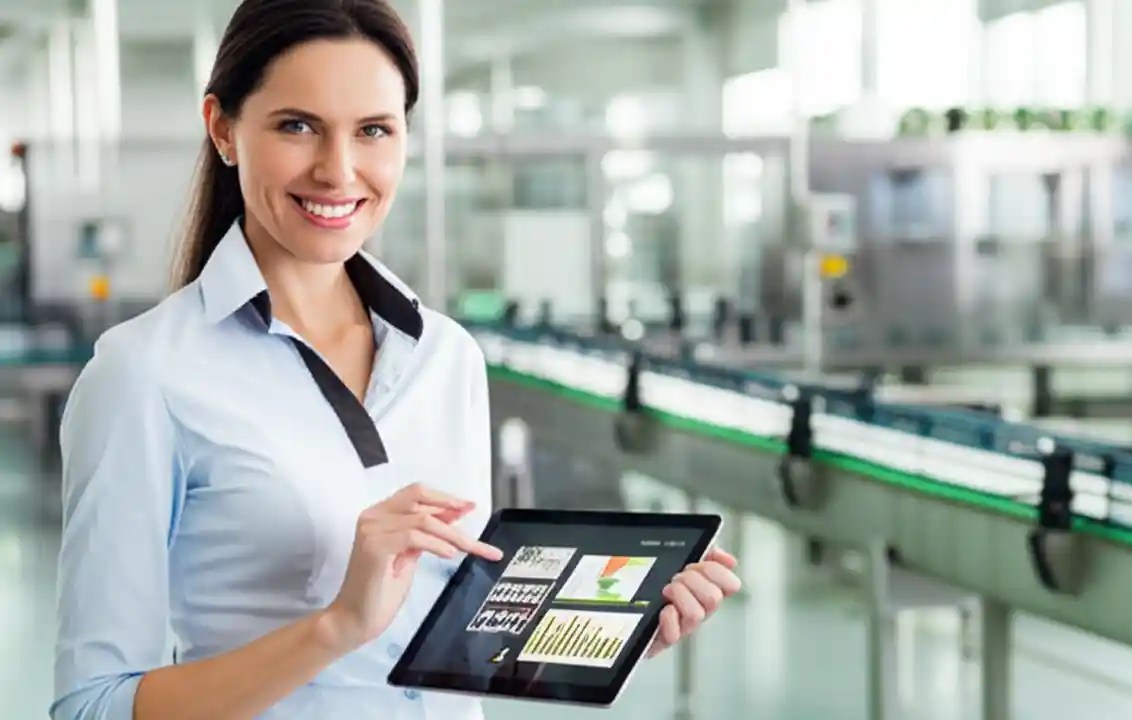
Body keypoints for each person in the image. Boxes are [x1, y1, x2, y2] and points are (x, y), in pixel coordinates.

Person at [49, 1, 742, 718]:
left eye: (373, 130)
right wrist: (336, 627)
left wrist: (612, 632)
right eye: (297, 126)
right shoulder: (145, 375)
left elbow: (452, 642)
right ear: (223, 129)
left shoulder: (446, 356)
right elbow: (93, 705)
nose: (338, 170)